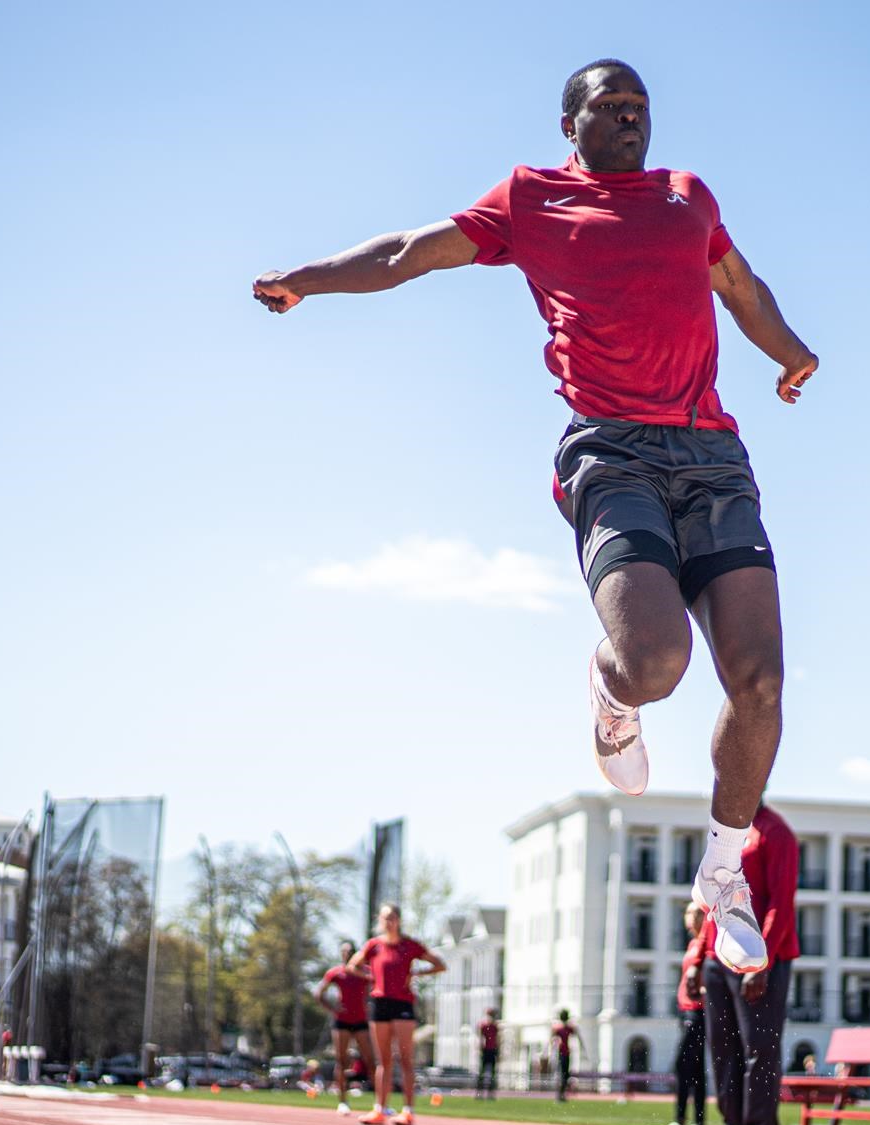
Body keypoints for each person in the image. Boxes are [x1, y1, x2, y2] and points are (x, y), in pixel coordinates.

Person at [252, 59, 818, 975]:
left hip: (714, 458)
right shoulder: (532, 199)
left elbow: (740, 287)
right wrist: (306, 279)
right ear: (571, 125)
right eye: (611, 107)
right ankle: (612, 691)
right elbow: (407, 252)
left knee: (760, 681)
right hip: (613, 453)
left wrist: (790, 354)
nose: (631, 119)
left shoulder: (686, 197)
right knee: (657, 661)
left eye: (641, 107)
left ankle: (722, 873)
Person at [701, 801, 799, 1125]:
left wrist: (762, 962)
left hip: (759, 961)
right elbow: (713, 897)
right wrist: (699, 957)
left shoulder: (776, 833)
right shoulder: (725, 832)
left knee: (759, 1052)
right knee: (722, 1052)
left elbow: (781, 903)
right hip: (719, 959)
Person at [348, 903, 446, 1125]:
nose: (388, 922)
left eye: (392, 917)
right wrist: (370, 976)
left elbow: (440, 964)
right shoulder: (374, 945)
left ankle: (408, 1111)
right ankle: (379, 1110)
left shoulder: (409, 945)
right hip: (380, 1003)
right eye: (385, 918)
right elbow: (352, 965)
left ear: (399, 920)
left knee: (405, 1058)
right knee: (383, 1061)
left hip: (402, 1003)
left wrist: (417, 972)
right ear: (379, 920)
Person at [317, 939, 376, 1115]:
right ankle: (343, 1101)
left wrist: (371, 1004)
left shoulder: (365, 972)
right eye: (344, 952)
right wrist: (333, 1008)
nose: (347, 955)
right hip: (342, 1021)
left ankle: (379, 1104)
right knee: (342, 1060)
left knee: (370, 1060)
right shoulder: (336, 972)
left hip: (361, 1020)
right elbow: (319, 993)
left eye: (350, 952)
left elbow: (376, 985)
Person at [674, 902, 710, 1125]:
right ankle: (697, 1119)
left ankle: (680, 1118)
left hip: (696, 1012)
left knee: (681, 1064)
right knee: (696, 1069)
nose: (690, 917)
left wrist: (706, 992)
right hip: (684, 1011)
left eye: (696, 913)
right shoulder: (691, 944)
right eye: (688, 912)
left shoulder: (706, 945)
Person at [551, 1009, 584, 1102]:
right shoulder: (565, 1028)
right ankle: (560, 1095)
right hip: (564, 1054)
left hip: (563, 1053)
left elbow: (552, 1039)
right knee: (564, 1075)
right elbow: (577, 1035)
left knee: (564, 1075)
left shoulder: (559, 1029)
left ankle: (561, 1095)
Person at [475, 1006, 500, 1100]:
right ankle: (479, 1094)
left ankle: (491, 1094)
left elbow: (497, 1039)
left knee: (492, 1074)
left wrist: (498, 1051)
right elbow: (481, 1038)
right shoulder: (484, 1026)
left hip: (492, 1050)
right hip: (486, 1050)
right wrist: (480, 1049)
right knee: (482, 1073)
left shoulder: (495, 1026)